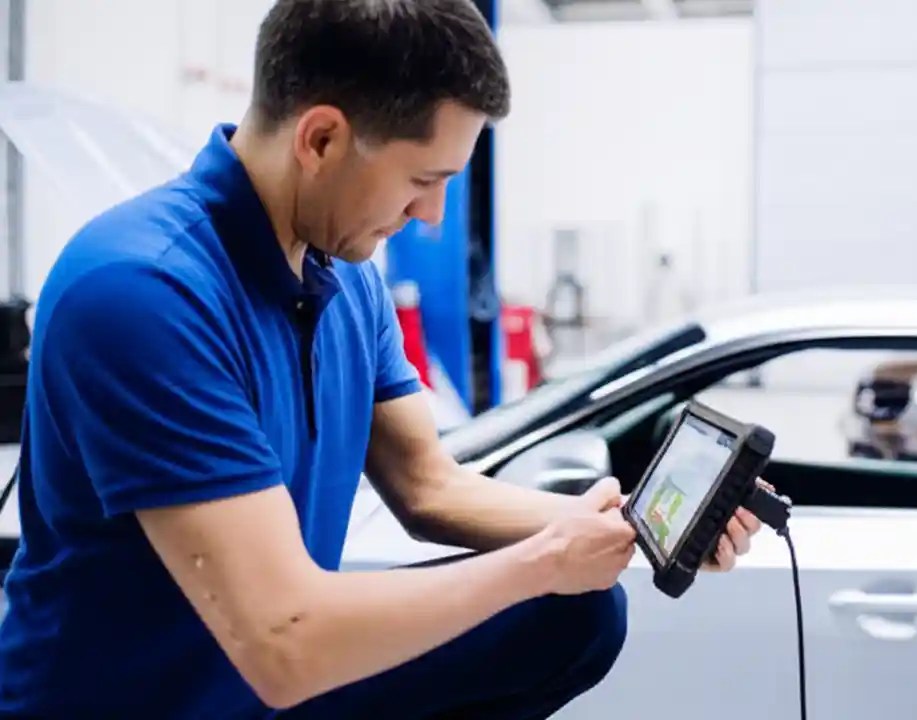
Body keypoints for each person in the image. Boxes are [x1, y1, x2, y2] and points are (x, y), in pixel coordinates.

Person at [0, 1, 765, 717]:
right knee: (541, 590)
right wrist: (543, 561)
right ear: (321, 139)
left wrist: (632, 525)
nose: (431, 216)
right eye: (423, 181)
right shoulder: (143, 291)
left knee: (579, 616)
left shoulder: (349, 278)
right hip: (147, 697)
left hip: (262, 681)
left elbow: (428, 487)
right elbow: (283, 638)